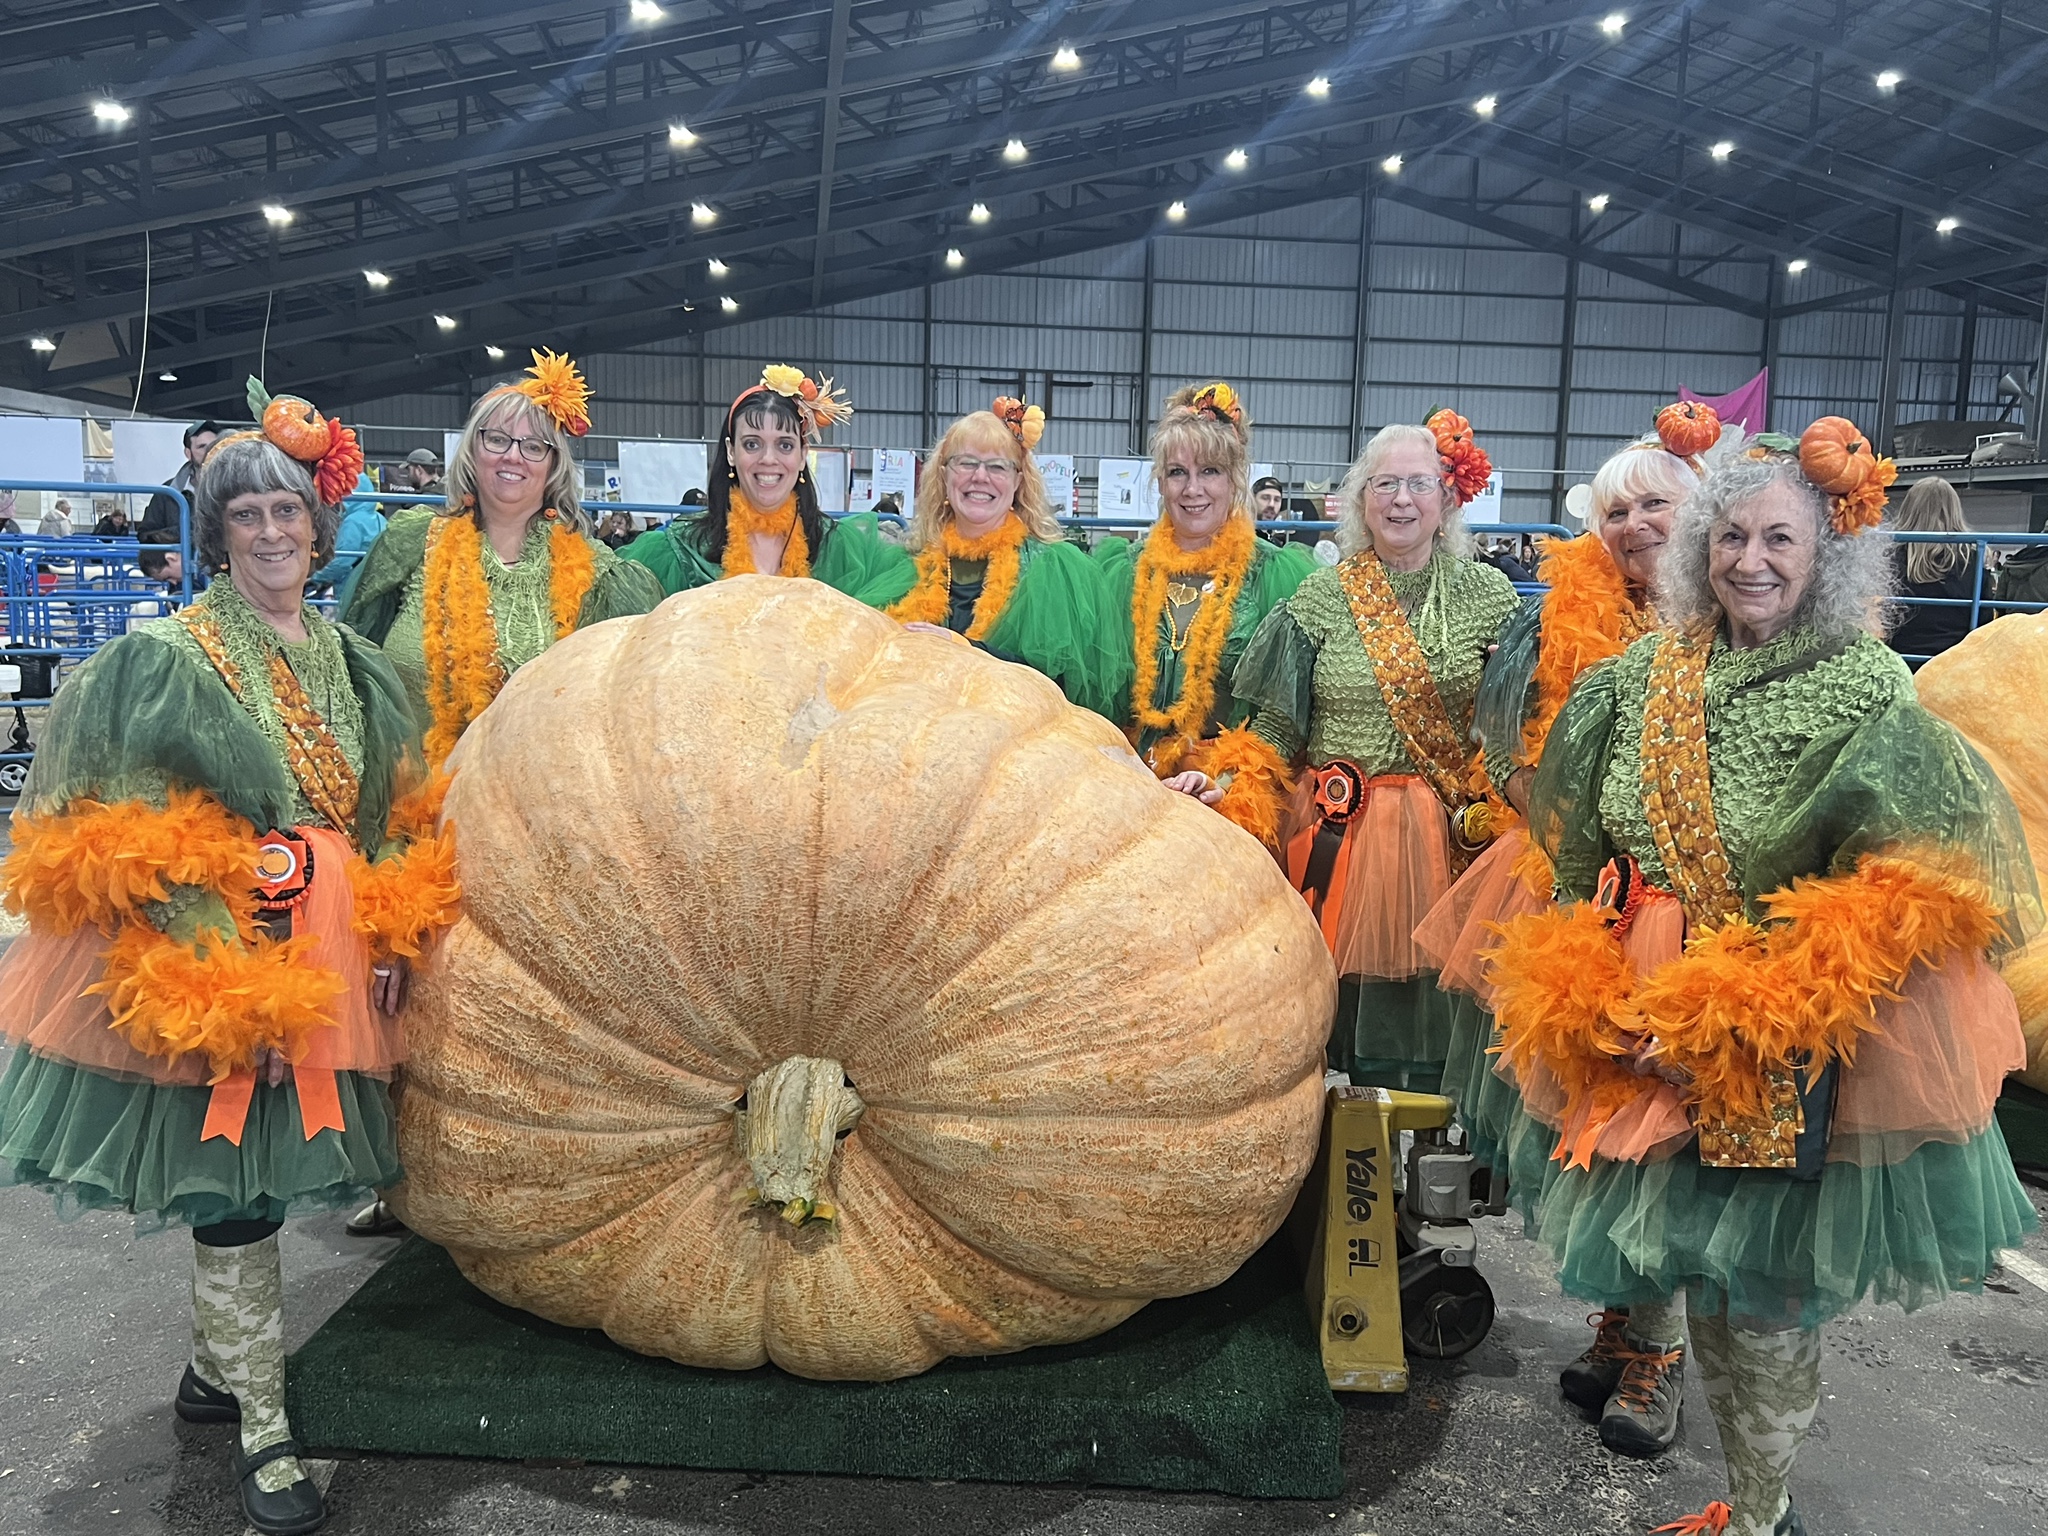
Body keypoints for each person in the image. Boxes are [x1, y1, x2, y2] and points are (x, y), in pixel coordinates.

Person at [1486, 420, 2037, 1536]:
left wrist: (1734, 1015)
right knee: (1685, 1269)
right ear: (1698, 548)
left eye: (1778, 537)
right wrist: (1595, 986)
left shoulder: (1867, 687)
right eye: (1729, 534)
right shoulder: (1636, 675)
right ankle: (1740, 1491)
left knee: (1767, 1300)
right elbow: (1575, 855)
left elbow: (1917, 885)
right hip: (1638, 1014)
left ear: (1824, 550)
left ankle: (1762, 1510)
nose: (1749, 561)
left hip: (1788, 1033)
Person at [0, 416, 458, 1536]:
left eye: (285, 511)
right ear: (215, 533)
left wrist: (391, 927)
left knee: (270, 1169)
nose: (268, 531)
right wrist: (223, 968)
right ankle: (262, 1422)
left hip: (336, 958)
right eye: (244, 513)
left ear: (318, 528)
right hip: (221, 951)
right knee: (238, 1185)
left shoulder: (356, 664)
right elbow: (120, 821)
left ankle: (216, 1377)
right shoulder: (162, 662)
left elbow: (399, 811)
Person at [1413, 403, 1709, 1459]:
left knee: (1659, 1133)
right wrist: (1531, 801)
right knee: (1589, 1131)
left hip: (1682, 914)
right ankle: (1619, 1326)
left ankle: (1659, 1352)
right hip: (1564, 896)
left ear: (1701, 509)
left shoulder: (1731, 621)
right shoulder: (1556, 621)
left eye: (1654, 503)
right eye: (1616, 507)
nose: (1634, 523)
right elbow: (1500, 748)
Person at [1233, 409, 1522, 1090]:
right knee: (1327, 1022)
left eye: (1419, 485)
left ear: (1447, 500)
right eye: (1385, 484)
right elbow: (1278, 727)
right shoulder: (1322, 595)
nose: (1401, 500)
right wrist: (1236, 792)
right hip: (1339, 834)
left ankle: (1435, 1169)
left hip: (1449, 840)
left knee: (1439, 1022)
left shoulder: (1491, 594)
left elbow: (1516, 723)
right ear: (1360, 499)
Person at [341, 349, 664, 766]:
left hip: (536, 806)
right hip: (410, 801)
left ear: (553, 466)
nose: (513, 456)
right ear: (474, 450)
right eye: (497, 439)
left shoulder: (597, 571)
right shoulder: (414, 541)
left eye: (534, 446)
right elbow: (355, 671)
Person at [1093, 383, 1315, 844]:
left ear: (1234, 479)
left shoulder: (1275, 576)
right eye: (1178, 472)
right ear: (1160, 481)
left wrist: (1227, 783)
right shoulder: (1121, 573)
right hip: (1129, 788)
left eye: (1209, 471)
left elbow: (1287, 719)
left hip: (1227, 796)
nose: (1192, 489)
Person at [887, 398, 1124, 716]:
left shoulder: (1053, 570)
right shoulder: (904, 565)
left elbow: (1058, 691)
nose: (980, 477)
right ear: (944, 475)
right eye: (967, 462)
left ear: (1018, 481)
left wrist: (967, 652)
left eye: (997, 466)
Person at [619, 365, 914, 606]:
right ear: (731, 452)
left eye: (785, 445)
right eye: (752, 444)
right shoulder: (680, 550)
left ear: (802, 456)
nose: (768, 459)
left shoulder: (840, 550)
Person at [1885, 476, 1982, 658]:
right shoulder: (1973, 556)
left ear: (1909, 509)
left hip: (1898, 657)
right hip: (1953, 660)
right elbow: (1983, 618)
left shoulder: (1889, 554)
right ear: (1954, 510)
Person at [141, 420, 223, 539]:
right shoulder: (167, 492)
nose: (210, 451)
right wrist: (184, 534)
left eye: (214, 445)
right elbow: (146, 535)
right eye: (202, 446)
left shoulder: (235, 488)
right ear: (188, 453)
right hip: (182, 557)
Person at [307, 474, 388, 592]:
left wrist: (316, 578)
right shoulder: (381, 519)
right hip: (374, 587)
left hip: (352, 588)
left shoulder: (353, 522)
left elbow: (343, 562)